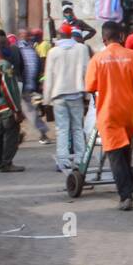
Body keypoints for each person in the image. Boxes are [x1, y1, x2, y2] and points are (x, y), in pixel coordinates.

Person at [85, 20, 133, 211]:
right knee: (125, 149)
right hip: (129, 111)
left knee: (115, 155)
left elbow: (90, 86)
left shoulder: (97, 59)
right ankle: (127, 182)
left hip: (109, 113)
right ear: (122, 37)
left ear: (103, 38)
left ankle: (125, 196)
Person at [44, 22, 91, 172]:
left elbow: (49, 76)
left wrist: (46, 100)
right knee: (78, 127)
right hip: (76, 93)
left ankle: (63, 161)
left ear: (59, 35)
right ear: (71, 35)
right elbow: (87, 71)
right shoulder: (82, 49)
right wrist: (89, 95)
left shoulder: (53, 52)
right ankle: (79, 159)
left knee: (62, 129)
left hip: (58, 95)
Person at [0, 38, 24, 172]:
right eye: (8, 46)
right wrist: (16, 109)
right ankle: (7, 162)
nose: (10, 49)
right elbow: (9, 88)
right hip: (6, 105)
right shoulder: (5, 65)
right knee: (11, 134)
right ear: (2, 47)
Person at [15, 29, 50, 144]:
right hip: (22, 85)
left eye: (28, 35)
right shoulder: (18, 48)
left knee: (28, 111)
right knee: (24, 111)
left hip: (26, 86)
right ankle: (18, 134)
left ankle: (42, 132)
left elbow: (36, 66)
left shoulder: (31, 49)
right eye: (25, 35)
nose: (28, 37)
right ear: (20, 36)